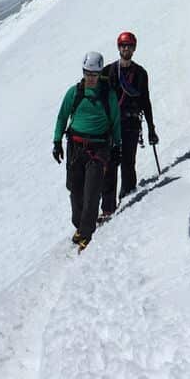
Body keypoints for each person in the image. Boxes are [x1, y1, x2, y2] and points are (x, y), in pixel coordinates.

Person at [52, 51, 121, 249]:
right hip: (75, 148)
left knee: (91, 192)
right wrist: (57, 142)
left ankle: (86, 233)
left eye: (94, 74)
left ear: (100, 74)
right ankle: (80, 226)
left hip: (99, 149)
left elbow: (116, 122)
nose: (90, 78)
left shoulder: (108, 96)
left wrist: (117, 147)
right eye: (87, 73)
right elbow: (62, 117)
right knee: (75, 191)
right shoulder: (74, 93)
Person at [100, 30, 157, 216]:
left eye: (129, 46)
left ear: (134, 49)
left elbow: (145, 102)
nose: (126, 49)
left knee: (127, 162)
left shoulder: (140, 74)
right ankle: (108, 208)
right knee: (110, 164)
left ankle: (127, 199)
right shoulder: (108, 72)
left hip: (131, 123)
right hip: (112, 125)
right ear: (119, 48)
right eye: (124, 46)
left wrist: (151, 128)